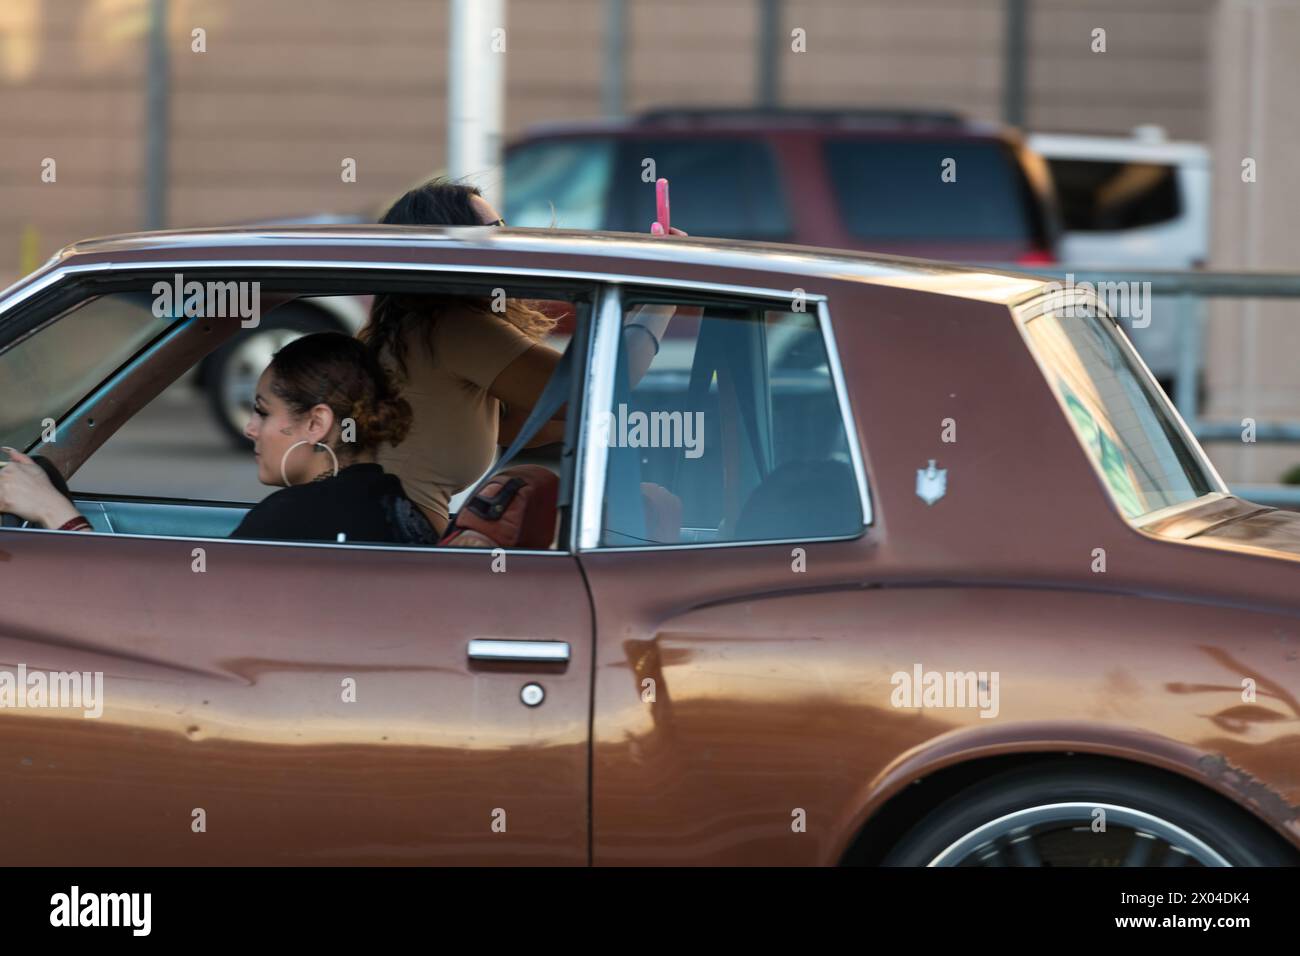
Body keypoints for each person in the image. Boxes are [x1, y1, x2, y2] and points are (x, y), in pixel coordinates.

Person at [362, 177, 684, 534]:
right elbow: (598, 384)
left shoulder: (417, 331)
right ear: (456, 247)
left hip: (396, 536)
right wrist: (666, 292)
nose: (507, 237)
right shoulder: (453, 327)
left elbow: (521, 425)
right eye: (493, 230)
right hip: (403, 543)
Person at [0, 333, 438, 546]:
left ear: (315, 424)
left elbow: (157, 618)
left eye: (263, 412)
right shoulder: (395, 504)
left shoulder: (293, 521)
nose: (250, 428)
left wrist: (54, 513)